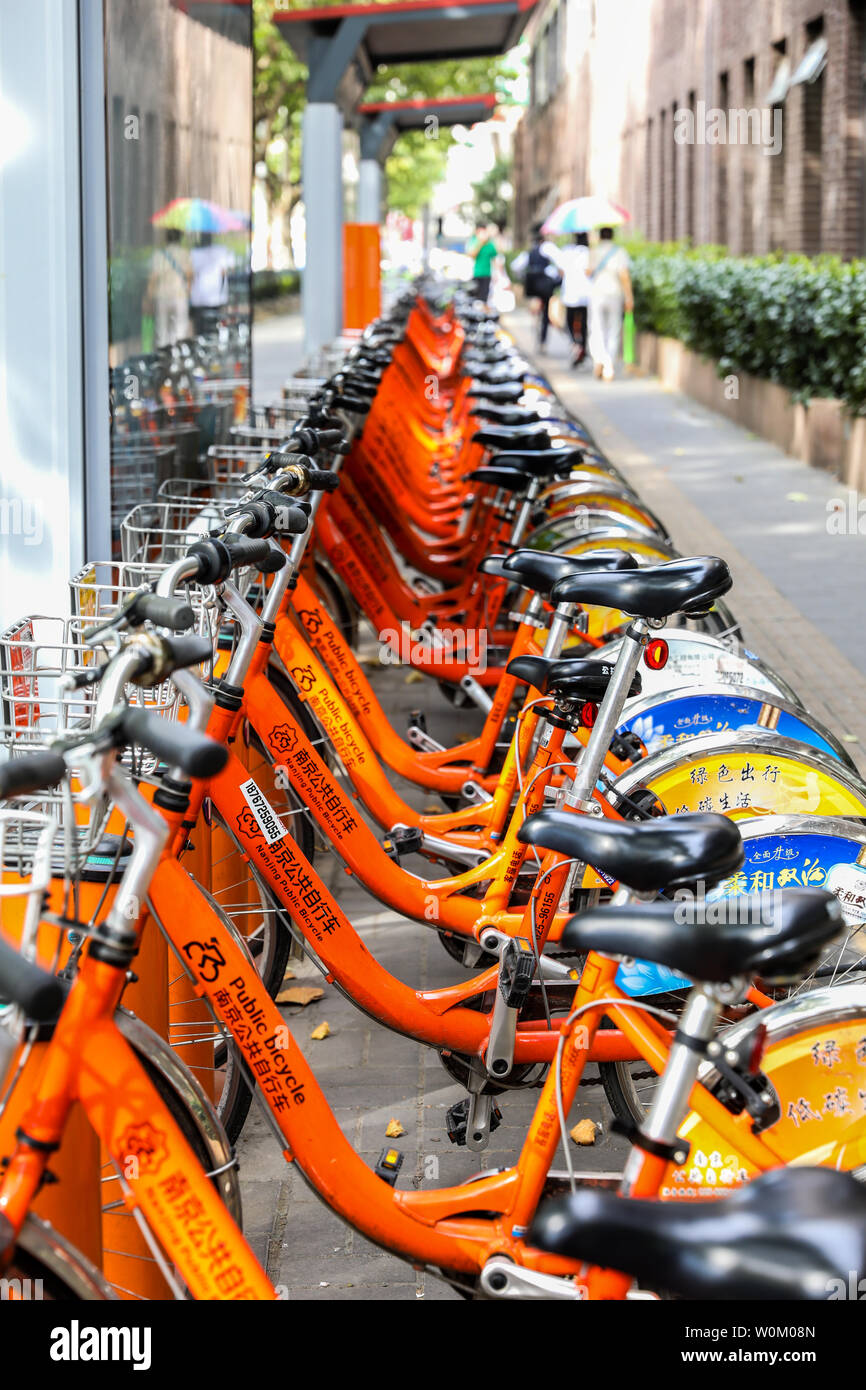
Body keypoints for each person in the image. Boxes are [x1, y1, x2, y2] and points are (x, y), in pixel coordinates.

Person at [587, 226, 633, 381]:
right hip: (614, 294)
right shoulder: (620, 252)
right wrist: (629, 297)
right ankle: (609, 366)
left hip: (597, 294)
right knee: (613, 329)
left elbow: (588, 272)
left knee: (597, 328)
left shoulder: (593, 251)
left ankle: (598, 360)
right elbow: (624, 275)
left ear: (600, 237)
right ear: (612, 236)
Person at [511, 225, 560, 348]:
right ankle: (543, 339)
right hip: (545, 286)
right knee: (545, 313)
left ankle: (538, 332)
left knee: (537, 306)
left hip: (532, 286)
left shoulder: (529, 252)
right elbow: (559, 262)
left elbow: (515, 266)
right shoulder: (547, 249)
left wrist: (522, 277)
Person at [143, 228, 192, 348]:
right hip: (179, 295)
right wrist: (188, 291)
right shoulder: (185, 254)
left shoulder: (159, 254)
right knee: (179, 330)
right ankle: (176, 356)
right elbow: (190, 275)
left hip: (162, 296)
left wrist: (148, 296)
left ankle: (163, 357)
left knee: (162, 331)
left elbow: (153, 277)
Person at [549, 232, 591, 365]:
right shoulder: (588, 253)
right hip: (585, 294)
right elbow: (590, 271)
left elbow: (560, 271)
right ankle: (582, 347)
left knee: (569, 322)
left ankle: (575, 343)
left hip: (570, 294)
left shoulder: (567, 251)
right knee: (583, 323)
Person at [190, 232, 234, 336]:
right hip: (216, 296)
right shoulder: (221, 251)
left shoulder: (195, 252)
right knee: (214, 326)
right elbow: (226, 271)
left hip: (199, 296)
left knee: (200, 329)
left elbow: (191, 273)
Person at [467, 224, 499, 303]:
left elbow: (494, 259)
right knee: (474, 297)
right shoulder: (474, 242)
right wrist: (480, 243)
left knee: (484, 297)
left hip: (486, 274)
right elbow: (471, 255)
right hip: (475, 273)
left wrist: (496, 274)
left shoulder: (490, 245)